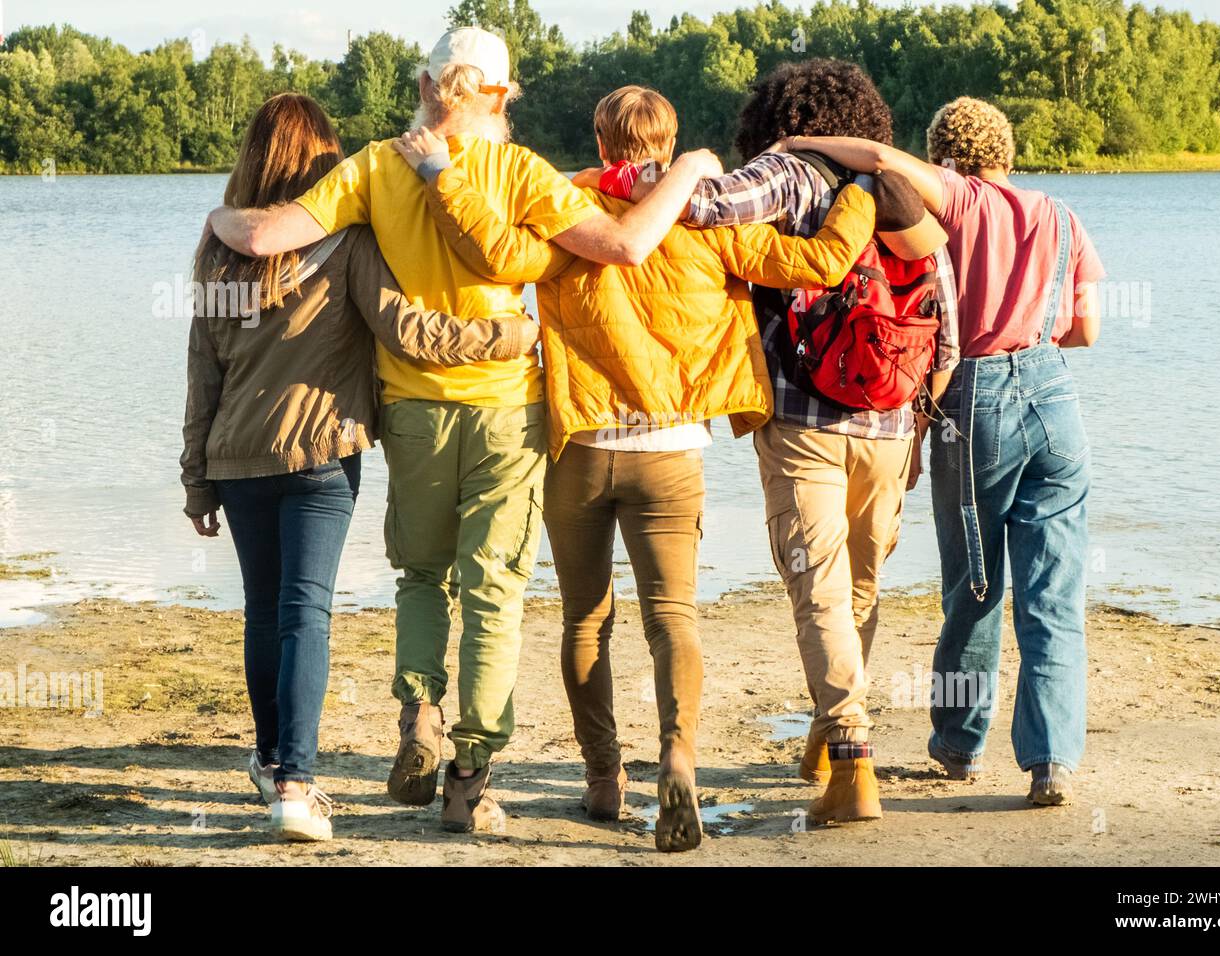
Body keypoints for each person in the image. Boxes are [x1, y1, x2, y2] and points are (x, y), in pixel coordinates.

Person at [206, 28, 722, 832]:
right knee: (496, 592)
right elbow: (624, 244)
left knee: (422, 576)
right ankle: (469, 779)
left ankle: (418, 713)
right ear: (502, 95)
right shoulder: (521, 173)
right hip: (506, 409)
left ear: (422, 82)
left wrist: (220, 213)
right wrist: (689, 167)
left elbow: (270, 238)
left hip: (411, 409)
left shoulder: (376, 165)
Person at [399, 83, 881, 849]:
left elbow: (493, 250)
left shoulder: (563, 208)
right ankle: (679, 759)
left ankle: (603, 779)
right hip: (670, 453)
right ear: (671, 138)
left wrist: (439, 179)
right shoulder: (704, 218)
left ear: (598, 143)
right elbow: (819, 263)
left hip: (582, 451)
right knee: (673, 618)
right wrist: (858, 190)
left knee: (586, 617)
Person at [182, 92, 538, 842]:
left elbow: (202, 375)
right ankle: (297, 787)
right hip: (321, 454)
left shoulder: (219, 247)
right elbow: (409, 331)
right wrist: (506, 337)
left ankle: (274, 758)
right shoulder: (345, 241)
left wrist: (195, 478)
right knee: (304, 612)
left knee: (263, 610)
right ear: (322, 164)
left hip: (238, 459)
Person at [614, 60, 960, 824]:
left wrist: (642, 174)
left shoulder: (789, 171)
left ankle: (851, 761)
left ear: (777, 116)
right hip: (895, 419)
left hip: (803, 417)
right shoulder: (895, 186)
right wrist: (918, 418)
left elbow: (701, 206)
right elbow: (947, 320)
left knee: (820, 593)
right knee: (860, 586)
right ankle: (827, 728)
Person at [782, 96, 1104, 805]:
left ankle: (960, 744)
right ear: (1009, 152)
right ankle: (1052, 761)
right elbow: (1086, 328)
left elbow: (880, 160)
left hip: (976, 397)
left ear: (949, 157)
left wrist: (801, 138)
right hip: (1055, 395)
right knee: (1054, 591)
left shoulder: (958, 195)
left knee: (977, 582)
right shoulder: (1061, 215)